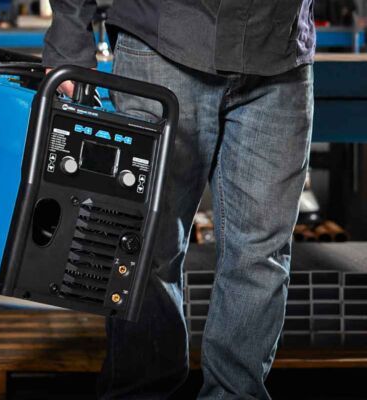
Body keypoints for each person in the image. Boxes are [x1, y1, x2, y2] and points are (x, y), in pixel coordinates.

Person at [43, 1, 315, 399]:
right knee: (143, 246)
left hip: (279, 55)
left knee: (261, 257)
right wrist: (69, 40)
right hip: (162, 46)